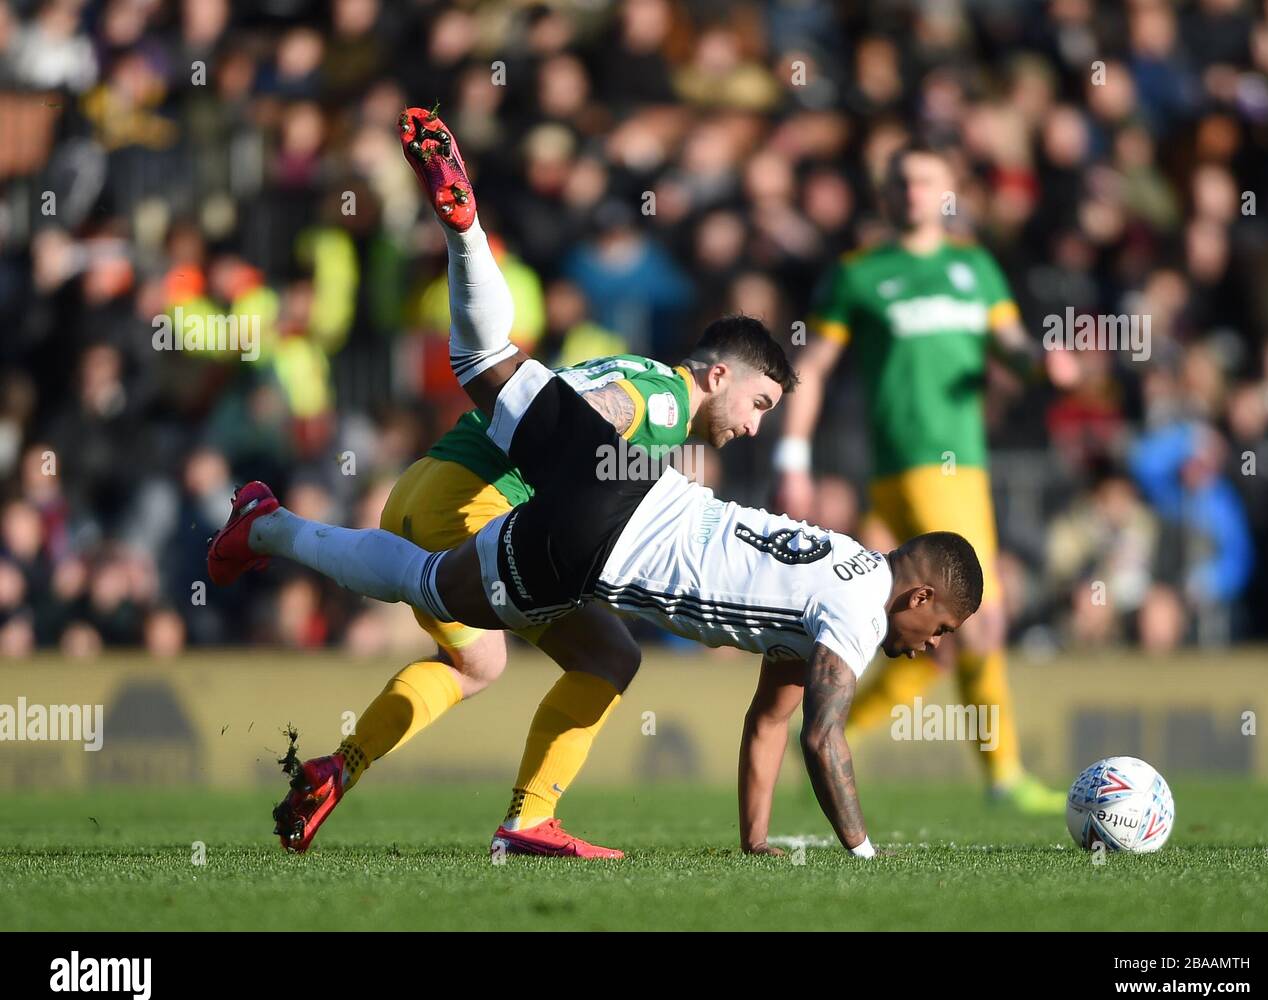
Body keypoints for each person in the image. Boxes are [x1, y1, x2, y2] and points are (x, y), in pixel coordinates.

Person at [208, 109, 986, 858]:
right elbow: (601, 414)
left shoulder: (659, 387)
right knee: (470, 614)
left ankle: (460, 235)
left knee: (525, 625)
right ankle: (515, 813)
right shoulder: (669, 397)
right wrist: (581, 453)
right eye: (756, 404)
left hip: (441, 480)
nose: (753, 425)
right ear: (718, 375)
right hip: (497, 500)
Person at [774, 141, 1076, 813]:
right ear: (886, 195)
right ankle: (1004, 777)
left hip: (965, 467)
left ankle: (831, 732)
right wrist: (792, 456)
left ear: (949, 191)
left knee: (939, 637)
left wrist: (1042, 364)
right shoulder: (860, 273)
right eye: (901, 182)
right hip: (913, 470)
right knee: (984, 616)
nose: (913, 193)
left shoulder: (975, 268)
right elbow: (814, 368)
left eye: (926, 181)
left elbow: (1013, 345)